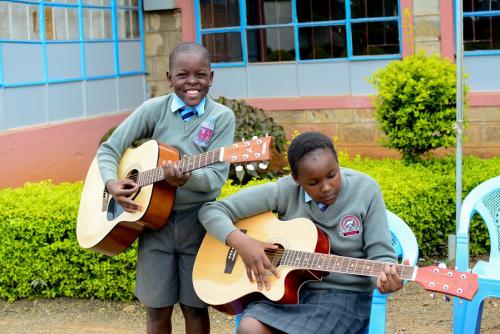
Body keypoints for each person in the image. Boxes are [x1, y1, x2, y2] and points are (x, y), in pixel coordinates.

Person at [198, 131, 405, 334]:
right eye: (313, 183)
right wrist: (243, 243)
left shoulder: (366, 190)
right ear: (296, 178)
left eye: (332, 175)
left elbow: (381, 254)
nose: (326, 187)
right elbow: (211, 211)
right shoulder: (284, 190)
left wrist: (386, 278)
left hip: (345, 299)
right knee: (249, 327)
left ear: (338, 165)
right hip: (287, 293)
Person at [97, 42, 236, 334]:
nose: (192, 82)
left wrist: (188, 178)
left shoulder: (221, 117)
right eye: (183, 75)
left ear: (212, 77)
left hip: (197, 222)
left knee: (195, 308)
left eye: (200, 74)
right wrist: (111, 182)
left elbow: (215, 178)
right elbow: (110, 149)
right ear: (169, 77)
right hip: (153, 225)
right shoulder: (153, 110)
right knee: (157, 309)